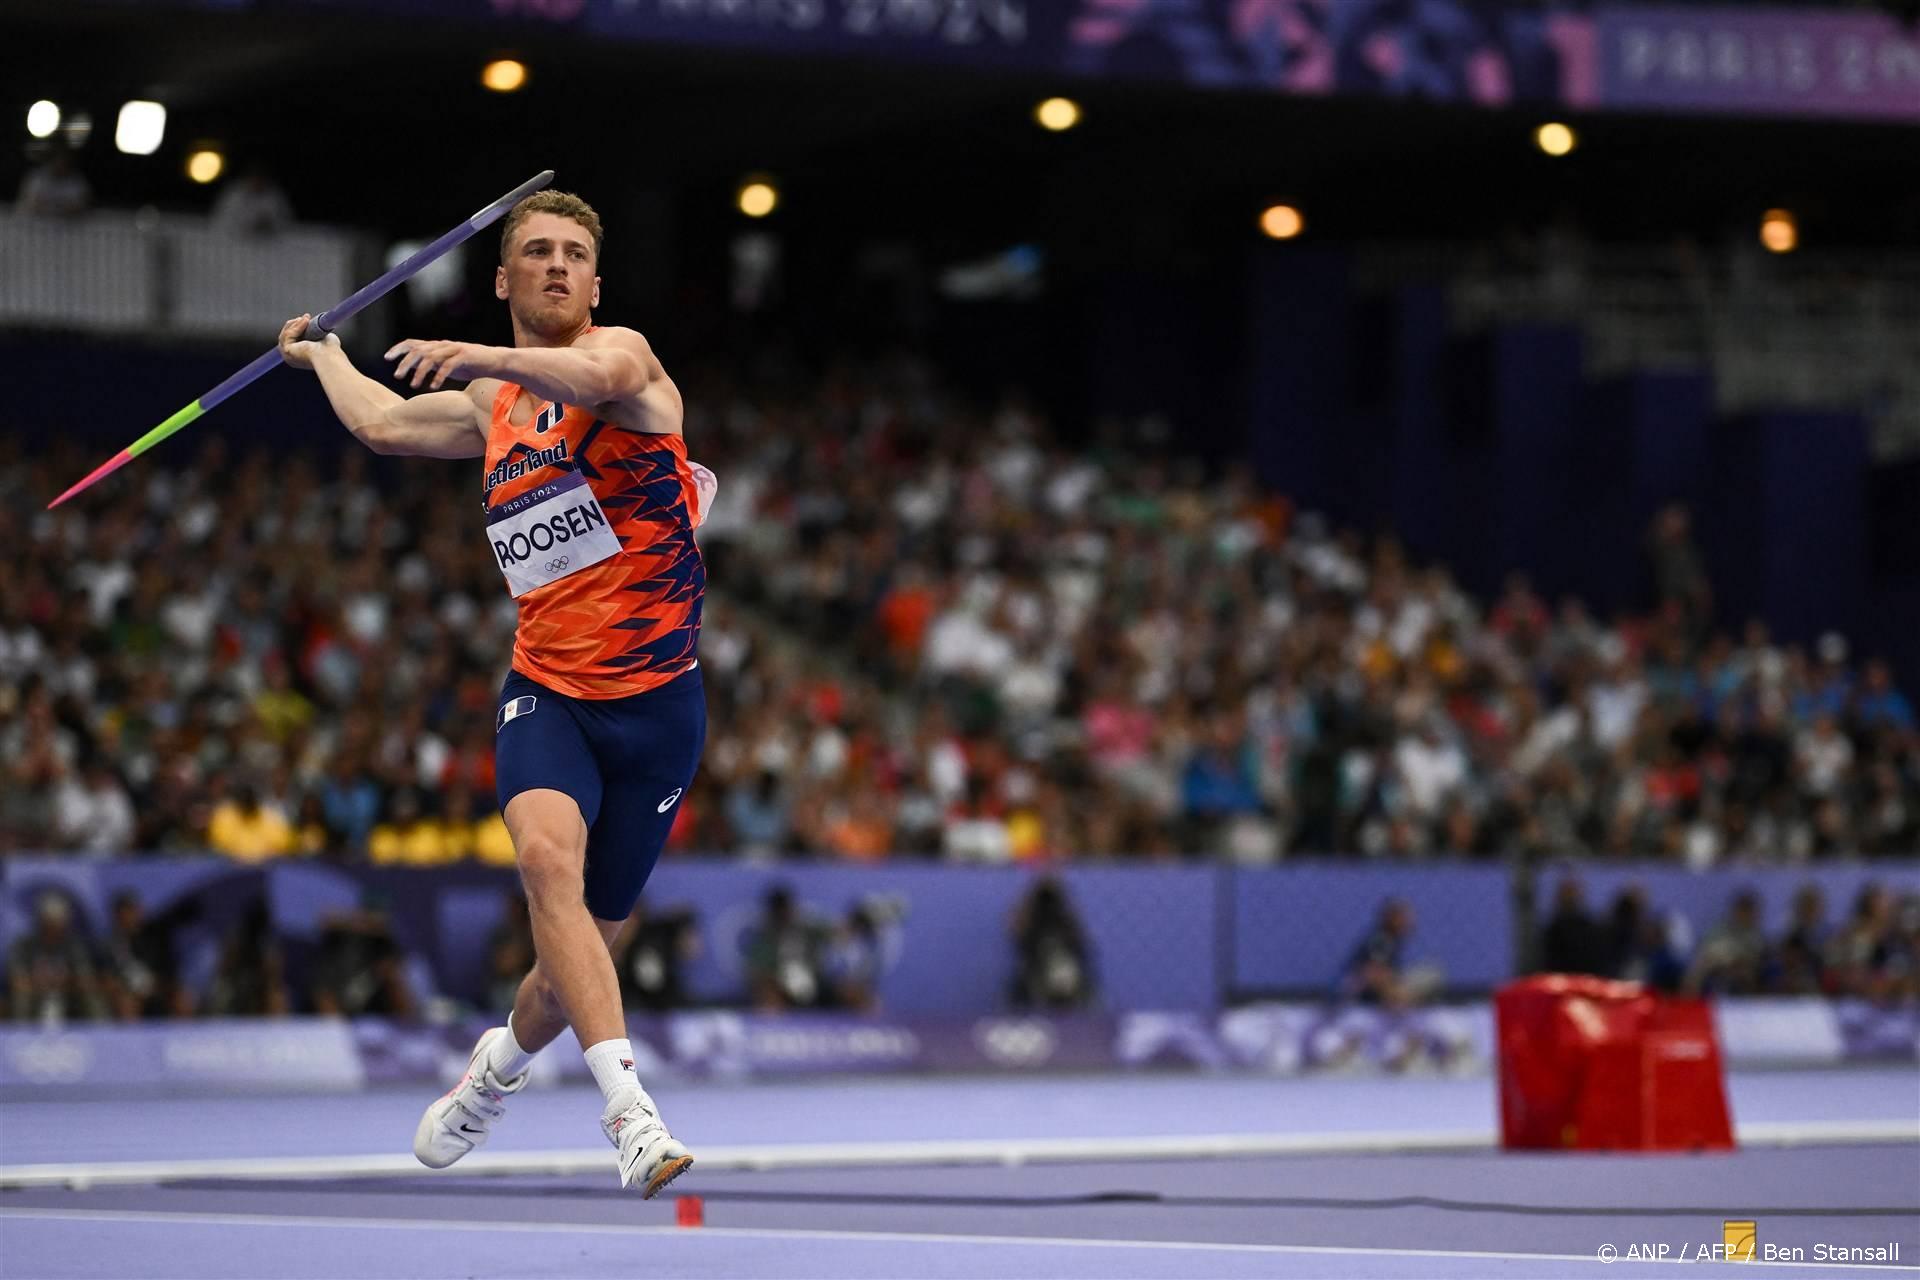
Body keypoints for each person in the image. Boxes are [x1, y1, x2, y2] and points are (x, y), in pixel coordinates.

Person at [277, 189, 715, 1196]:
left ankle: (495, 1069)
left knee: (566, 974)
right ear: (504, 278)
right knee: (545, 863)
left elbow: (591, 376)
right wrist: (323, 355)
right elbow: (384, 423)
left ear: (595, 284)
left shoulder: (625, 361)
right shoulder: (493, 404)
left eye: (574, 254)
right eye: (538, 251)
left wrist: (481, 356)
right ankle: (632, 1116)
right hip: (548, 692)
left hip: (658, 710)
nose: (557, 265)